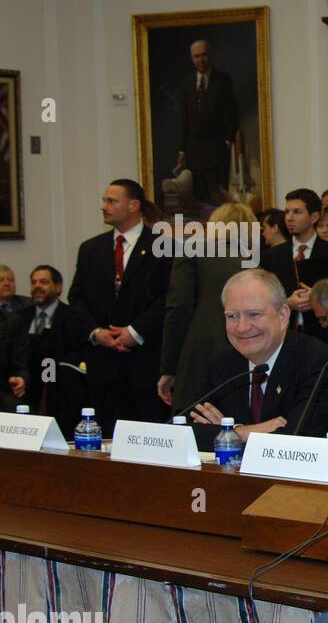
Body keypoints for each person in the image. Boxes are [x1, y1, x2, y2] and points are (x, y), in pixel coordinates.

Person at [188, 269, 328, 449]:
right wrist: (241, 432)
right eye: (232, 316)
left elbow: (295, 444)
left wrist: (226, 434)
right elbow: (184, 432)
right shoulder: (222, 361)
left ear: (283, 316)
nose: (242, 327)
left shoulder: (321, 363)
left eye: (254, 314)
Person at [67, 179, 170, 433]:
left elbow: (168, 299)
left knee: (148, 442)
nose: (104, 207)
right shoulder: (90, 249)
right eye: (104, 201)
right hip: (102, 367)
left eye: (111, 201)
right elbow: (76, 298)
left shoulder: (162, 246)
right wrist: (96, 333)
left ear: (134, 205)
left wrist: (134, 332)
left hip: (145, 367)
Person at [158, 201, 253, 415]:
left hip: (200, 356)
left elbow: (178, 310)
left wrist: (169, 368)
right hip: (248, 355)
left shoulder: (194, 252)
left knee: (191, 426)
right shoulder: (256, 260)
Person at [261, 188, 328, 343]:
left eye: (297, 212)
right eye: (287, 212)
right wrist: (286, 303)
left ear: (314, 217)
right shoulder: (271, 256)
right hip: (283, 336)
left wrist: (321, 296)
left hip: (324, 336)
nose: (289, 218)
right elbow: (261, 299)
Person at [17, 265, 91, 429]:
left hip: (60, 389)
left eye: (43, 282)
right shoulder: (20, 318)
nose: (37, 286)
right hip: (27, 387)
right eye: (33, 282)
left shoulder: (73, 317)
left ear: (58, 287)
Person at [176, 40, 239, 203]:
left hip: (217, 149)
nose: (201, 60)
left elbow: (233, 113)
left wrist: (228, 140)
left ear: (209, 56)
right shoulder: (186, 83)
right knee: (197, 195)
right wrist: (182, 150)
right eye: (197, 56)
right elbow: (184, 118)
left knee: (217, 195)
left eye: (204, 55)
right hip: (193, 150)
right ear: (192, 59)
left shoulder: (223, 80)